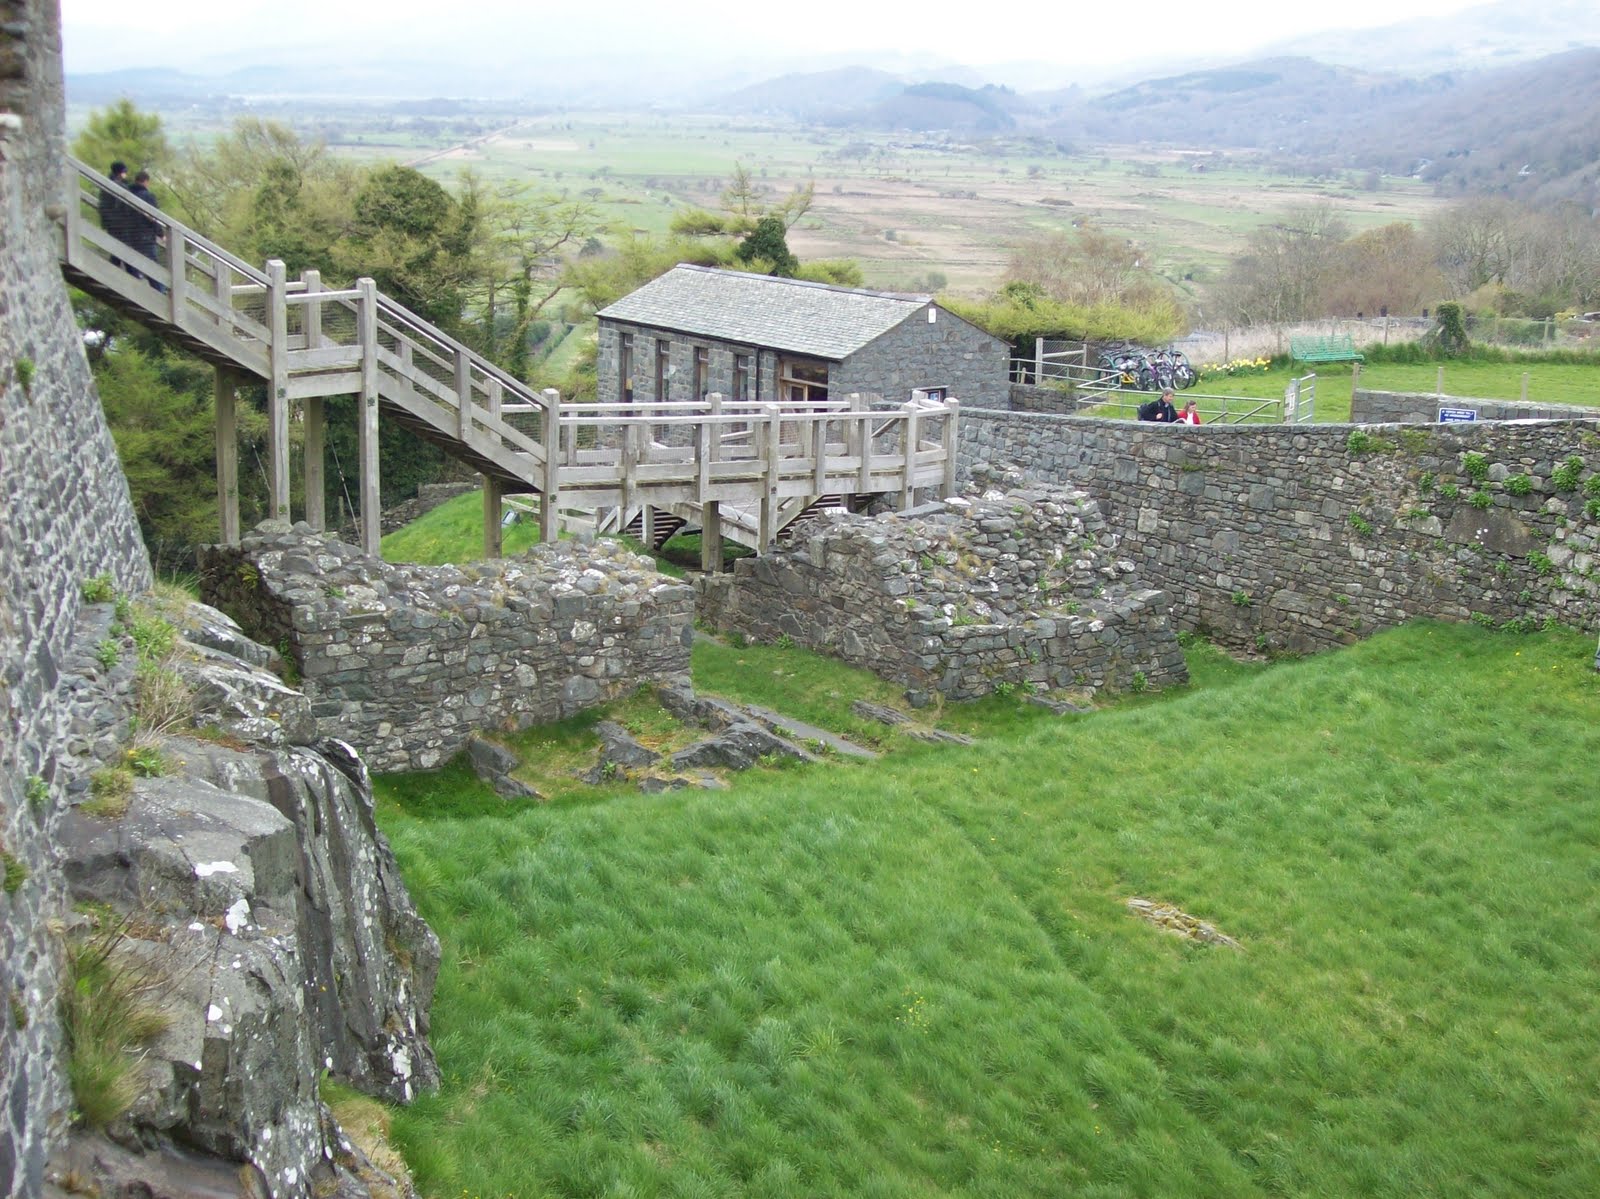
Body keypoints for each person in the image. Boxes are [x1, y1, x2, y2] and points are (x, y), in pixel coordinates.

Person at [126, 169, 165, 291]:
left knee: (134, 262)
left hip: (130, 235)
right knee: (152, 264)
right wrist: (161, 234)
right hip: (146, 235)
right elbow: (154, 217)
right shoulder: (148, 196)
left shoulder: (126, 194)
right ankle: (159, 291)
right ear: (146, 181)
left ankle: (135, 288)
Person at [98, 160, 134, 269]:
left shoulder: (106, 184)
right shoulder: (120, 187)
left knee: (117, 249)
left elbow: (103, 205)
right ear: (120, 172)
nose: (125, 174)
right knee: (124, 249)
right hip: (120, 223)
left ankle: (114, 269)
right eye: (124, 172)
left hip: (110, 223)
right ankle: (131, 273)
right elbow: (125, 206)